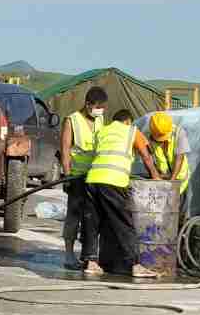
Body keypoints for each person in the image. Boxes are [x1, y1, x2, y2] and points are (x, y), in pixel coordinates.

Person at [86, 107, 141, 278]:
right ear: (127, 121)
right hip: (114, 181)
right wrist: (156, 176)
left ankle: (91, 263)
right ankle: (135, 265)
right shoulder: (131, 131)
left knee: (93, 223)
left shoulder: (102, 131)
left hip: (93, 179)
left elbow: (98, 154)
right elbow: (146, 155)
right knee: (125, 224)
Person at [59, 87, 108, 272]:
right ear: (88, 104)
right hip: (77, 176)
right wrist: (67, 175)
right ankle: (69, 254)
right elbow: (65, 150)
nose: (100, 111)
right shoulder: (71, 120)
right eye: (97, 107)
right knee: (74, 214)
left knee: (92, 217)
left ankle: (89, 256)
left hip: (95, 175)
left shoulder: (100, 120)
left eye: (102, 108)